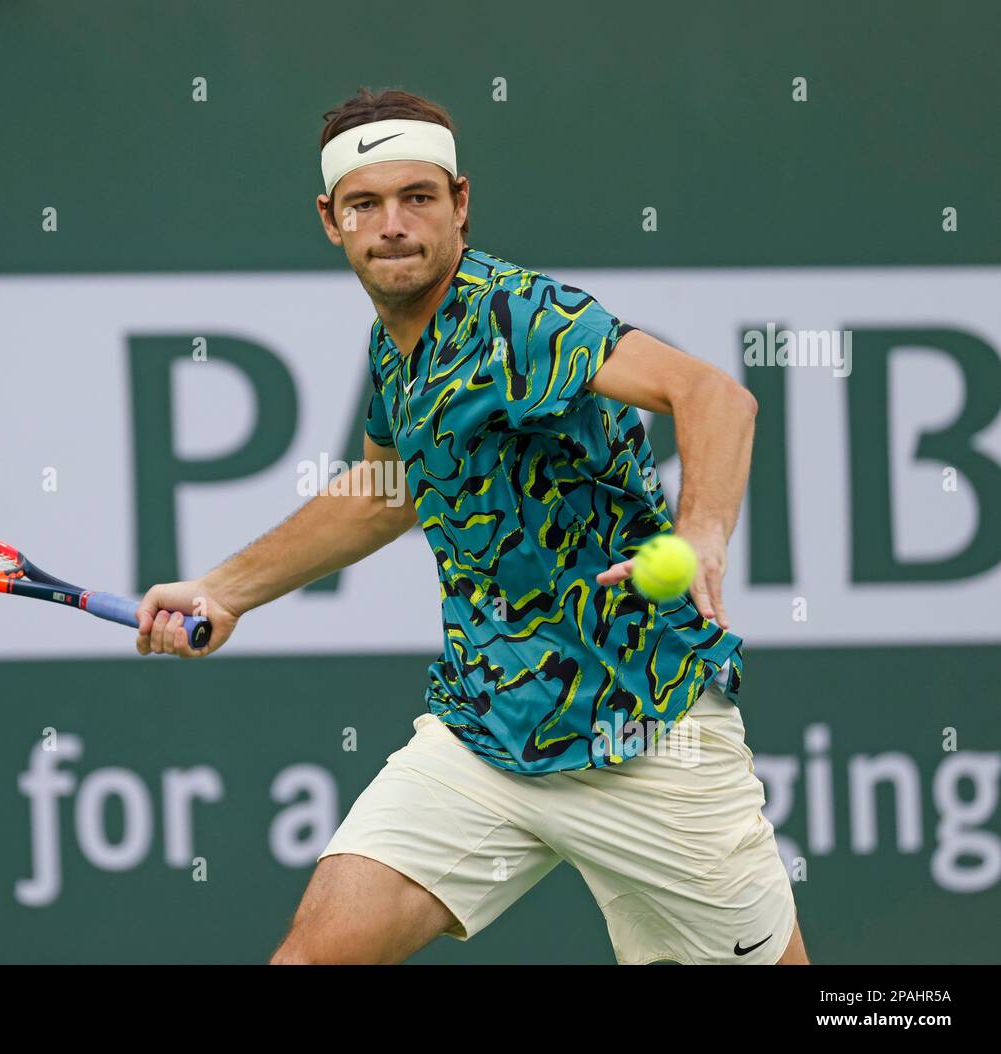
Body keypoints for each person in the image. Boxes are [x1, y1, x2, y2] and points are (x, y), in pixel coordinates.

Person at [135, 87, 807, 966]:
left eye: (419, 197)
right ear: (330, 221)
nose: (394, 225)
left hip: (644, 732)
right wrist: (223, 590)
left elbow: (715, 396)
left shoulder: (520, 317)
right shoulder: (395, 344)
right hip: (484, 730)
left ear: (460, 203)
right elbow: (386, 490)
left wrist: (702, 536)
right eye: (365, 204)